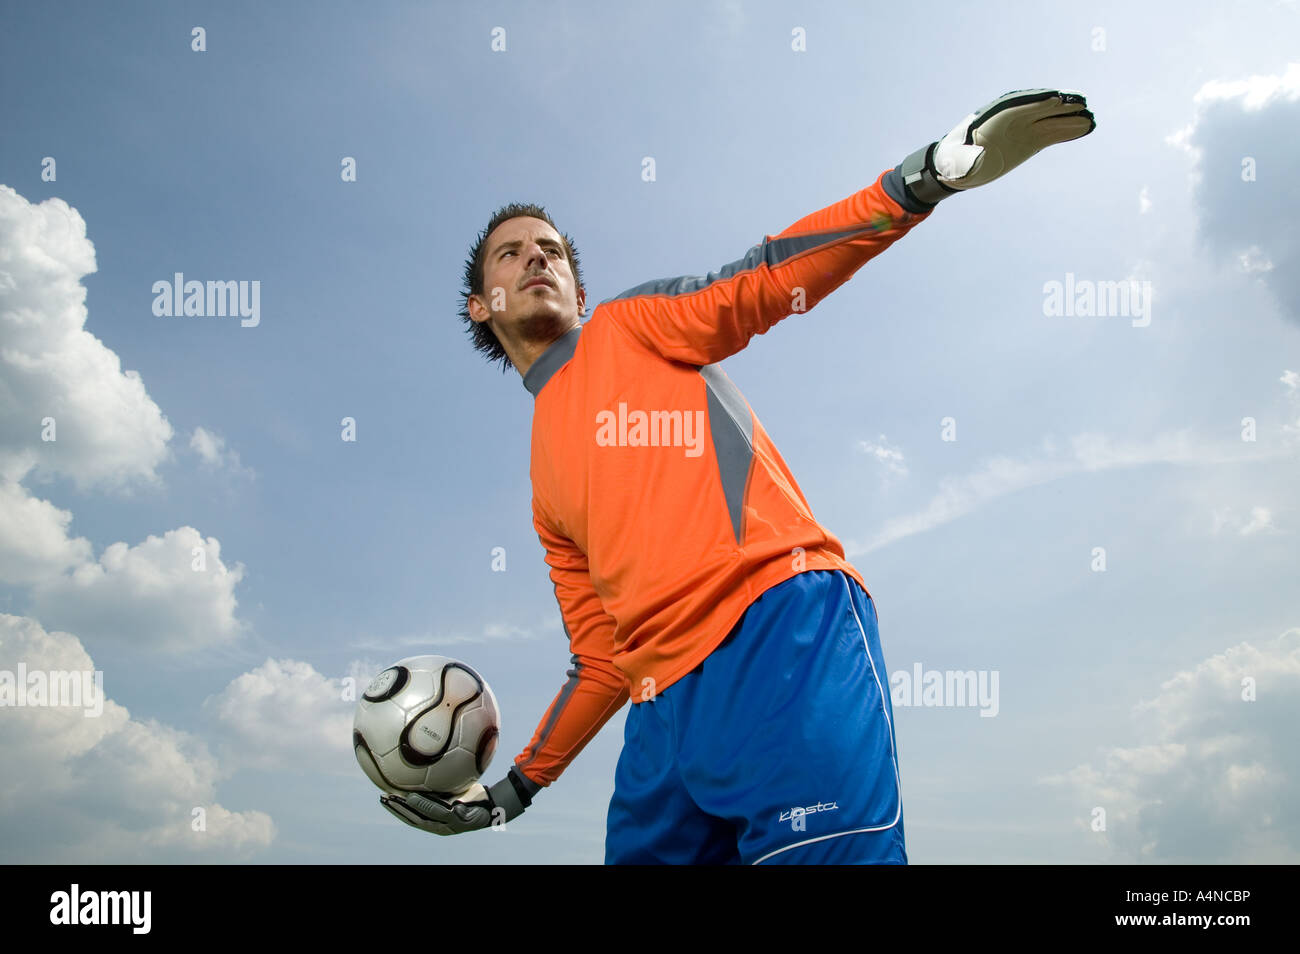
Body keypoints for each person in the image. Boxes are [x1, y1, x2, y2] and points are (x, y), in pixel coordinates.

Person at [381, 88, 1096, 864]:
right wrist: (514, 791)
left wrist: (918, 181)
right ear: (480, 305)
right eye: (511, 254)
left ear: (582, 295)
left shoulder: (630, 326)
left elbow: (762, 279)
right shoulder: (542, 485)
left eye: (551, 249)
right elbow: (601, 659)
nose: (537, 259)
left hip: (778, 635)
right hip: (662, 721)